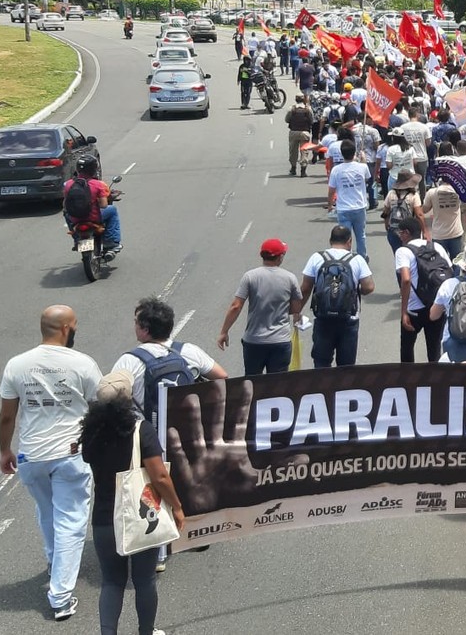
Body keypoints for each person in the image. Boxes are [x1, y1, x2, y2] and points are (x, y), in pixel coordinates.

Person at [0, 305, 102, 621]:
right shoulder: (82, 363)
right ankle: (60, 596)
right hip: (71, 455)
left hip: (31, 457)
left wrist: (5, 451)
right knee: (71, 521)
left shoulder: (17, 365)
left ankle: (56, 560)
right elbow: (101, 406)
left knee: (47, 511)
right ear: (68, 329)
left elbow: (6, 416)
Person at [81, 370, 185, 635]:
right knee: (144, 580)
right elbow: (160, 476)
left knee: (112, 582)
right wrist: (177, 506)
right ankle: (146, 632)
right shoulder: (141, 432)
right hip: (142, 517)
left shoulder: (91, 434)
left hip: (105, 518)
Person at [111, 297, 227, 429]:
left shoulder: (128, 362)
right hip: (187, 431)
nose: (134, 326)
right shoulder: (189, 351)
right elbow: (222, 376)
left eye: (136, 322)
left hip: (150, 437)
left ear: (145, 330)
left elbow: (110, 399)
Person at [217, 238, 303, 375]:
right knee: (277, 386)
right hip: (280, 341)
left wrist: (224, 332)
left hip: (254, 341)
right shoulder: (290, 278)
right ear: (280, 257)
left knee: (252, 383)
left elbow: (236, 306)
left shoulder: (250, 277)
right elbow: (296, 309)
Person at [298, 225, 375, 368]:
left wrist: (297, 311)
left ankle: (321, 389)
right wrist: (354, 290)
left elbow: (306, 287)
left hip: (323, 318)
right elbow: (369, 287)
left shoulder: (317, 257)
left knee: (321, 362)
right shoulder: (357, 259)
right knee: (346, 367)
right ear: (349, 241)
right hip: (349, 319)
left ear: (330, 240)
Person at [394, 217, 451, 363]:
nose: (399, 236)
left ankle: (408, 381)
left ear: (407, 233)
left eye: (400, 233)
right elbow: (450, 272)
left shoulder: (403, 251)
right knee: (434, 348)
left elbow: (406, 279)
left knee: (407, 347)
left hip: (414, 308)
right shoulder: (436, 247)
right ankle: (434, 381)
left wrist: (404, 311)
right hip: (436, 307)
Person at [63, 154, 123, 252]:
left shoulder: (68, 184)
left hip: (75, 219)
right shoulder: (98, 184)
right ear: (94, 169)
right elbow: (103, 205)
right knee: (112, 210)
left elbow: (65, 205)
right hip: (93, 218)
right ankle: (111, 242)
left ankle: (77, 239)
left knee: (66, 213)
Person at [327, 140, 372, 261]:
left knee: (344, 236)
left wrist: (330, 205)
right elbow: (367, 179)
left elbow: (331, 190)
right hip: (359, 207)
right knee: (360, 235)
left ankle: (346, 258)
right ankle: (362, 257)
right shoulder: (362, 167)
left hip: (343, 208)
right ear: (354, 153)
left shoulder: (336, 170)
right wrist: (363, 160)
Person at [382, 169, 428, 258]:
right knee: (412, 256)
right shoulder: (414, 195)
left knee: (399, 257)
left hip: (394, 231)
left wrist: (387, 225)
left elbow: (385, 212)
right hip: (409, 231)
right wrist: (424, 231)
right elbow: (419, 215)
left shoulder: (391, 193)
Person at [423, 178, 465, 266]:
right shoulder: (459, 192)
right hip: (455, 232)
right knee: (456, 262)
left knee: (439, 263)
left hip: (439, 234)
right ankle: (455, 279)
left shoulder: (432, 192)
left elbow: (425, 210)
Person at [284, 94, 314, 177]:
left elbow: (286, 120)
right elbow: (311, 120)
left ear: (295, 99)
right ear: (303, 99)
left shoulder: (292, 109)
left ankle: (293, 168)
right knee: (304, 151)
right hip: (305, 132)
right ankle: (303, 170)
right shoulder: (308, 109)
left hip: (293, 132)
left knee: (293, 151)